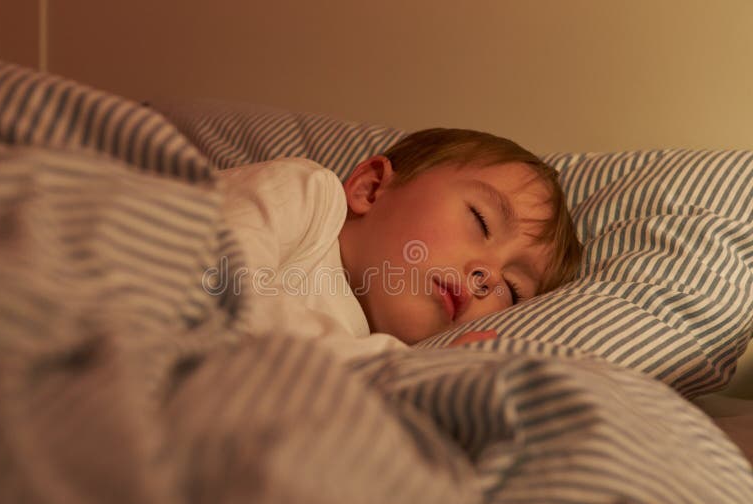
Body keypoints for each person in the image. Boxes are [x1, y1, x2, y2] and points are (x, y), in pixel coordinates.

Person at [212, 128, 582, 359]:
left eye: (513, 290)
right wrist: (389, 368)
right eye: (480, 220)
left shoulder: (386, 359)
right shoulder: (309, 196)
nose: (488, 276)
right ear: (370, 189)